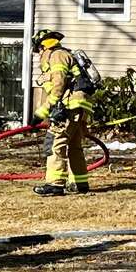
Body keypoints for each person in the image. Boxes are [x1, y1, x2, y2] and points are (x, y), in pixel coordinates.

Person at [31, 28, 94, 197]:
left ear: (44, 46)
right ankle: (80, 183)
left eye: (38, 50)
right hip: (79, 106)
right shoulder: (65, 54)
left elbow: (58, 85)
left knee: (54, 143)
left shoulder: (56, 55)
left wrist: (41, 113)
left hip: (68, 106)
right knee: (74, 146)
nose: (38, 55)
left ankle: (55, 184)